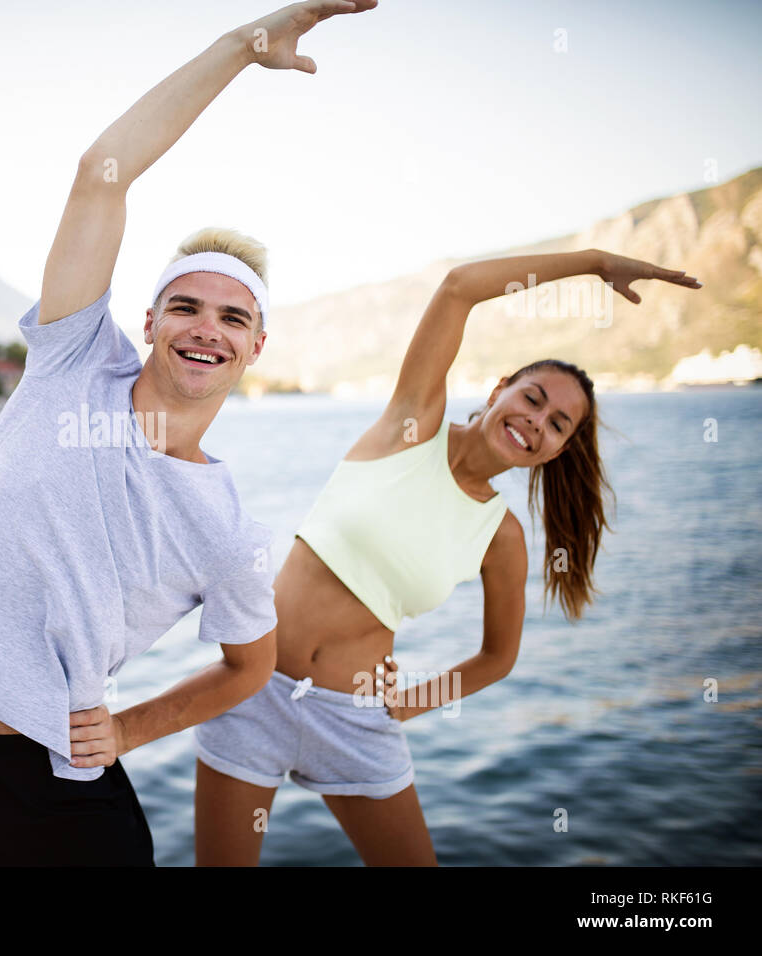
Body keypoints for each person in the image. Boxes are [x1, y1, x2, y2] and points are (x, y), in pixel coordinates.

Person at [0, 0, 379, 867]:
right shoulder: (72, 361)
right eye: (186, 307)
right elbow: (102, 171)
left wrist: (130, 727)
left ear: (256, 345)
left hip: (62, 791)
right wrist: (244, 48)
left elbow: (249, 667)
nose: (208, 328)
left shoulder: (230, 529)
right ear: (152, 319)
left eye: (233, 317)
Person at [194, 249, 702, 865]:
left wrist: (412, 700)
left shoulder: (501, 536)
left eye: (558, 424)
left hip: (356, 718)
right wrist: (594, 262)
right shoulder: (413, 425)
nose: (536, 422)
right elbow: (459, 287)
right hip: (252, 687)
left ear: (556, 451)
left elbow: (497, 657)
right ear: (499, 390)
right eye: (533, 398)